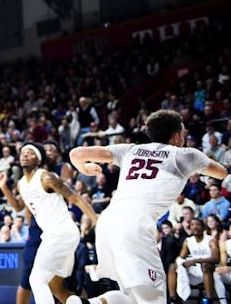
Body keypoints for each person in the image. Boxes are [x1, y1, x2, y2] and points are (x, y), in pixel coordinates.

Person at [67, 109, 228, 304]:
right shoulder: (185, 155)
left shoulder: (129, 150)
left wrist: (85, 168)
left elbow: (76, 153)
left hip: (108, 222)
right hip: (135, 224)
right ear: (177, 135)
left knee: (133, 295)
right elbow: (221, 172)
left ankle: (87, 303)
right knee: (154, 297)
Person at [0, 143, 98, 304]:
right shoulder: (22, 183)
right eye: (23, 152)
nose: (25, 155)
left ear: (38, 160)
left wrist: (96, 221)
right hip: (53, 236)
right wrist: (3, 187)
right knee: (55, 287)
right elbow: (18, 206)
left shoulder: (46, 177)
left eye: (30, 153)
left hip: (61, 232)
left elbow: (76, 198)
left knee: (37, 280)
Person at [170, 218, 222, 303]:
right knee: (172, 267)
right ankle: (173, 299)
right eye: (193, 225)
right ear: (190, 228)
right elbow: (181, 257)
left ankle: (209, 299)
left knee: (205, 266)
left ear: (203, 227)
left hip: (209, 270)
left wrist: (196, 260)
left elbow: (216, 258)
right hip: (195, 270)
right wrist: (179, 263)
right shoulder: (188, 241)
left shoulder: (211, 240)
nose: (195, 227)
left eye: (198, 225)